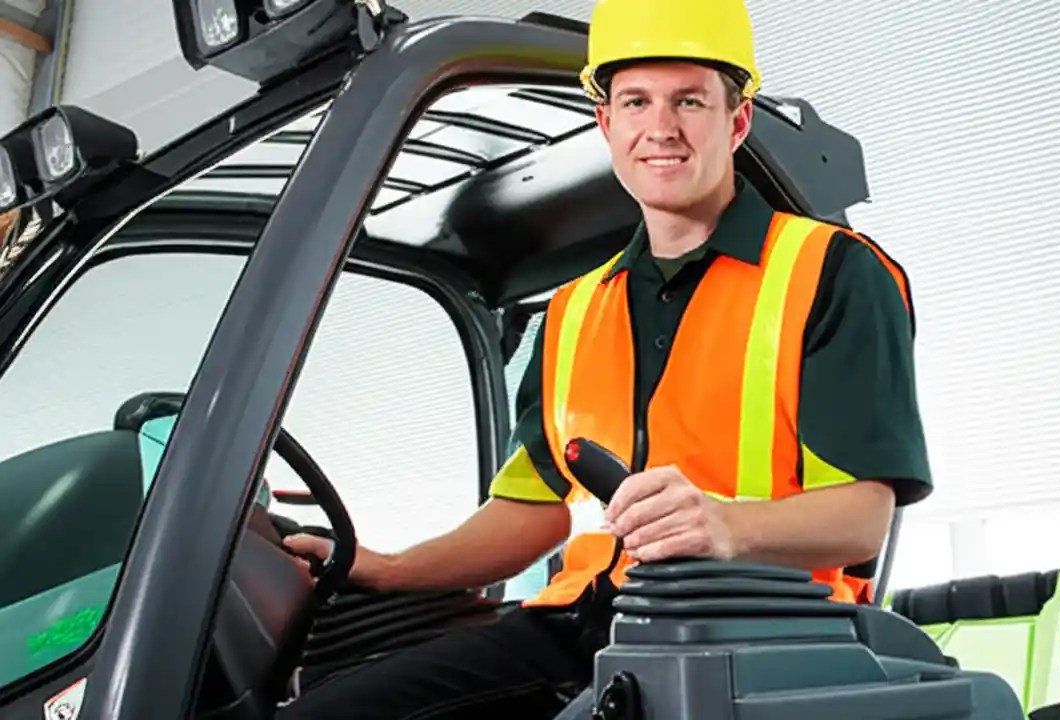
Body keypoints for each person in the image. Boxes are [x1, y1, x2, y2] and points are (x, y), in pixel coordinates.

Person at [277, 0, 931, 717]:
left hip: (769, 633)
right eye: (636, 102)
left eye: (690, 100)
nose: (661, 128)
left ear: (736, 120)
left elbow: (862, 517)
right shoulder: (573, 310)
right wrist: (390, 569)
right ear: (607, 123)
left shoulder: (832, 273)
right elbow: (530, 513)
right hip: (588, 618)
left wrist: (725, 525)